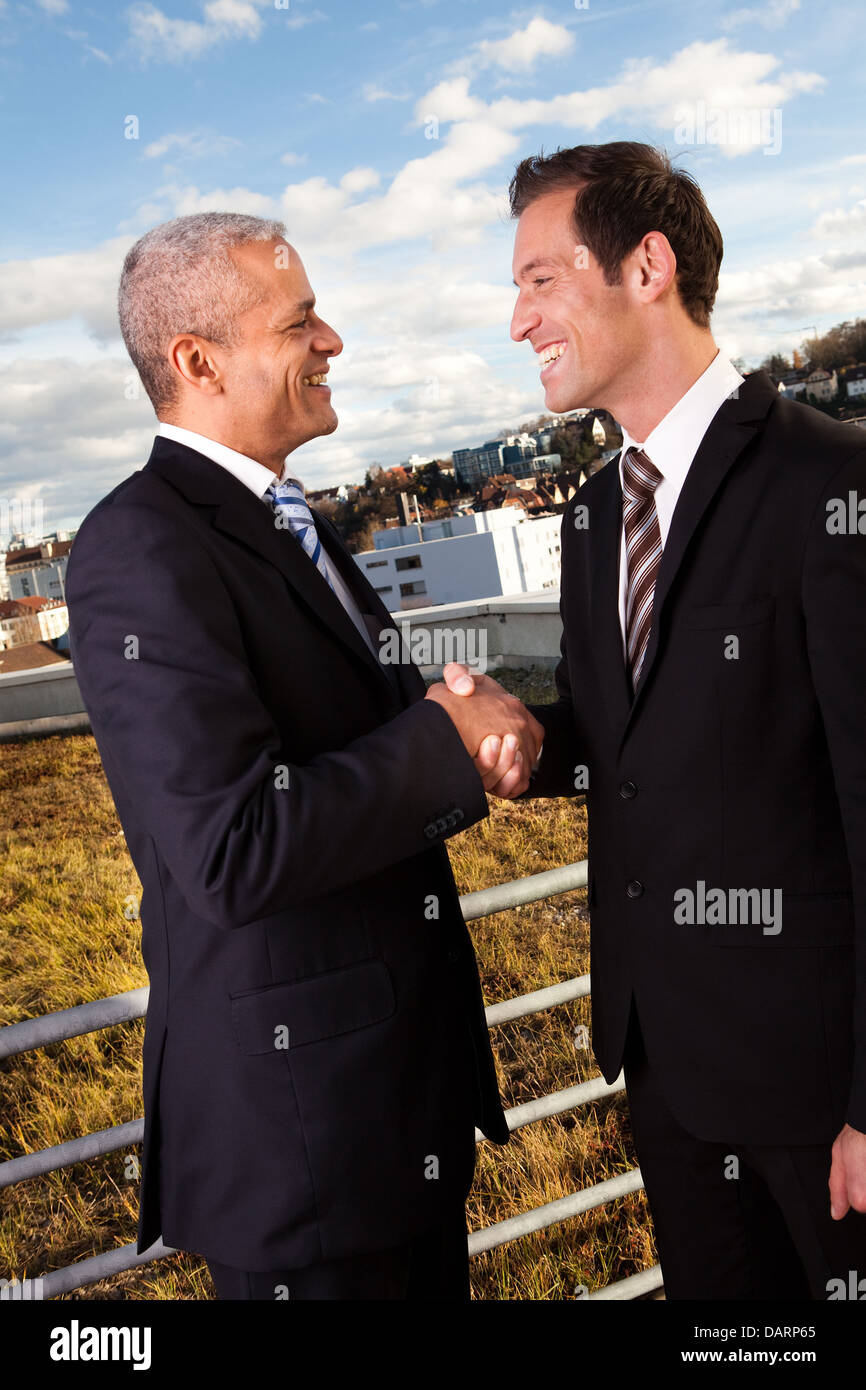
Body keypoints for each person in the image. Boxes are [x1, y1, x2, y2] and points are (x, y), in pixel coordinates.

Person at [66, 211, 543, 1300]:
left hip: (384, 1117)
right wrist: (441, 745)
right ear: (197, 360)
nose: (332, 342)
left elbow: (358, 736)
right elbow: (228, 848)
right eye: (300, 321)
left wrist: (471, 728)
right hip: (305, 1155)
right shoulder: (140, 546)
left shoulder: (296, 519)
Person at [443, 141, 866, 1299]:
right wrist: (527, 742)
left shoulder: (823, 484)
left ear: (645, 266)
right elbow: (615, 737)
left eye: (539, 278)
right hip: (666, 1076)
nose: (517, 318)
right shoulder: (592, 518)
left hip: (819, 1103)